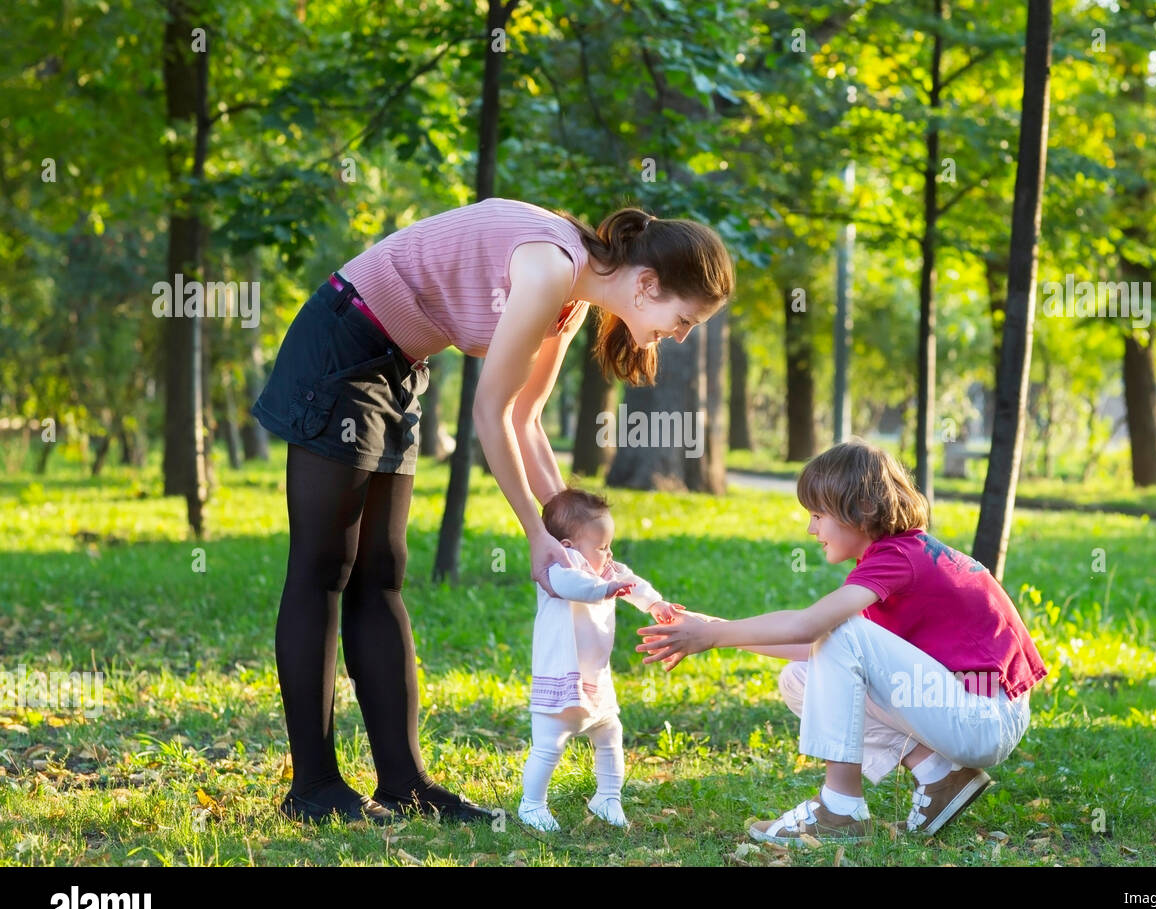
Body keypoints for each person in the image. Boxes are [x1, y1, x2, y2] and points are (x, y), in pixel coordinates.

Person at [251, 197, 733, 823]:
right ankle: (313, 789)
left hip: (396, 365)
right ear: (646, 283)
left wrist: (574, 537)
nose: (681, 334)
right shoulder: (549, 269)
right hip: (341, 346)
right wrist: (533, 534)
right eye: (685, 318)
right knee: (324, 569)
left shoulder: (572, 296)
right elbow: (490, 414)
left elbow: (528, 422)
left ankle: (405, 784)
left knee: (381, 574)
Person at [635, 438, 1047, 845]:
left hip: (984, 714)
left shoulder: (898, 557)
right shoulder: (899, 556)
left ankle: (841, 809)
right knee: (801, 677)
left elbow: (813, 628)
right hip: (969, 706)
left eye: (817, 514)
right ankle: (940, 776)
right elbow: (816, 647)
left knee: (839, 629)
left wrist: (710, 635)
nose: (811, 528)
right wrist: (712, 627)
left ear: (862, 509)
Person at [518, 488, 679, 831]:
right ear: (569, 546)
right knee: (548, 746)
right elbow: (571, 585)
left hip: (595, 679)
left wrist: (654, 603)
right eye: (601, 547)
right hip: (560, 674)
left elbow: (630, 581)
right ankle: (532, 804)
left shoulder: (604, 570)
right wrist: (605, 589)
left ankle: (607, 796)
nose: (608, 555)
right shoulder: (557, 567)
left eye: (609, 546)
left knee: (610, 733)